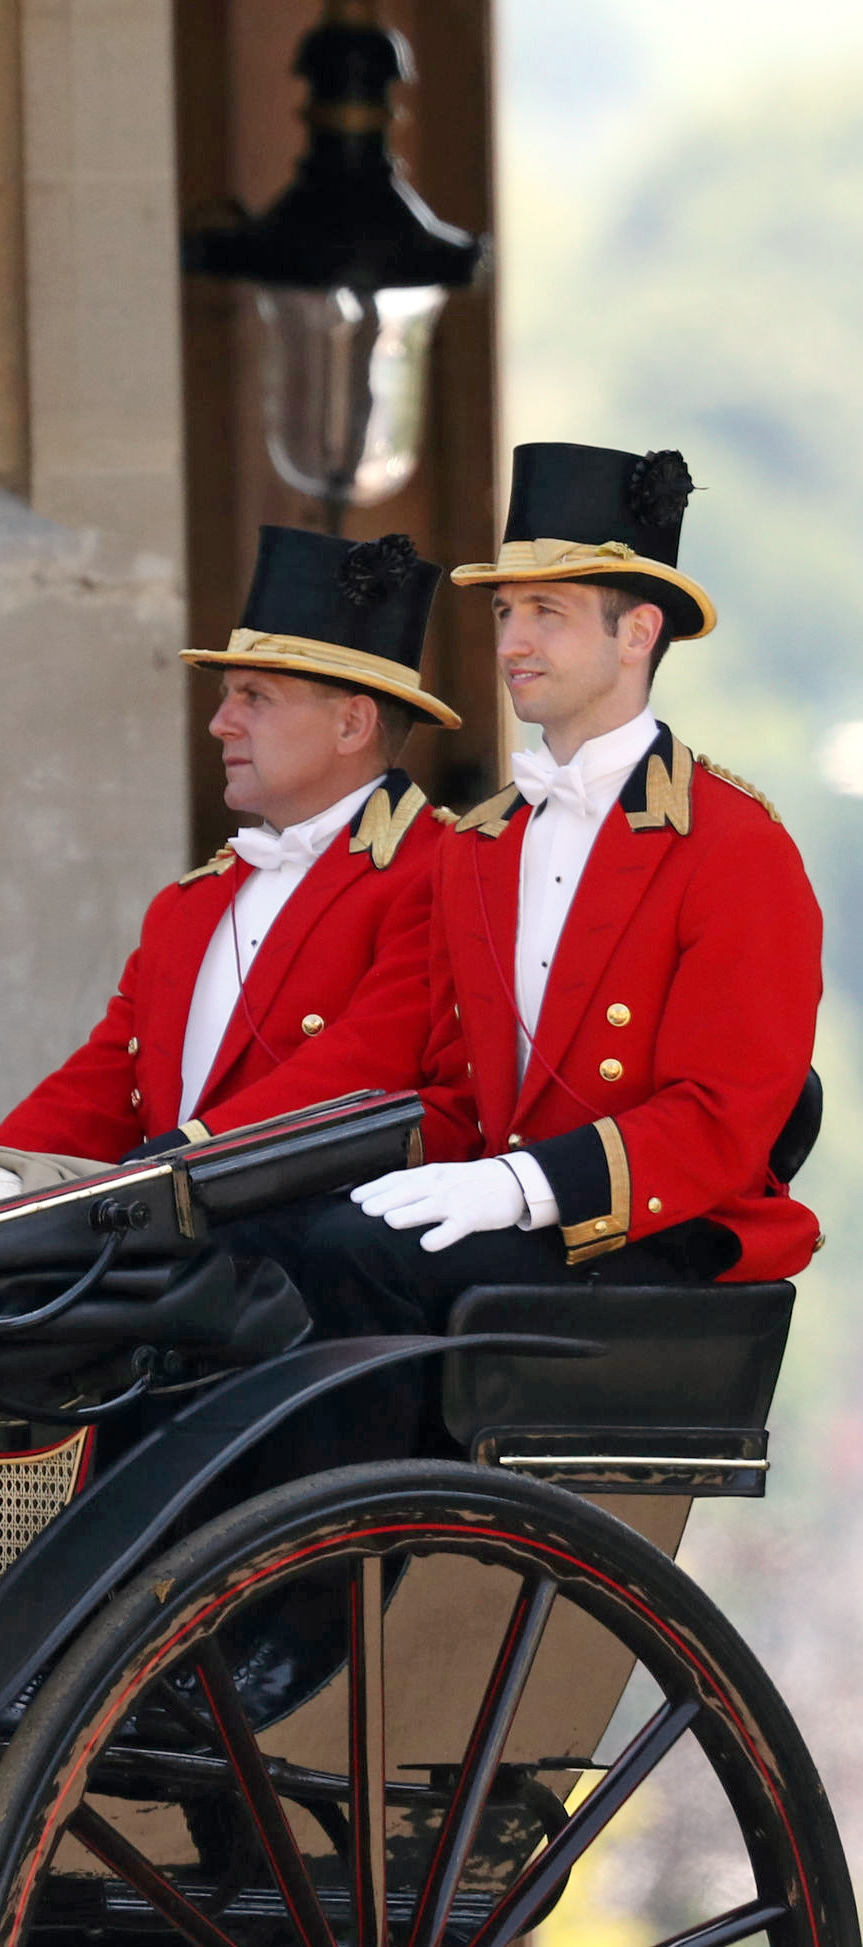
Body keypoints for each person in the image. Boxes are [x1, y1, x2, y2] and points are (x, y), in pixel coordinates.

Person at [306, 441, 822, 1328]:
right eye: (506, 612)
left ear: (637, 633)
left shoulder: (735, 842)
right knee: (279, 1246)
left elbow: (719, 1119)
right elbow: (453, 1090)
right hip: (510, 1215)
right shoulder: (477, 845)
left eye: (548, 611)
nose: (513, 642)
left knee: (350, 1259)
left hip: (664, 1237)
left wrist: (521, 1184)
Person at [0, 526, 457, 1163]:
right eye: (226, 696)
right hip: (181, 1246)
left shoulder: (444, 873)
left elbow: (360, 1075)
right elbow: (96, 1092)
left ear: (352, 723)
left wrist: (168, 1169)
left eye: (255, 698)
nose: (220, 723)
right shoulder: (185, 906)